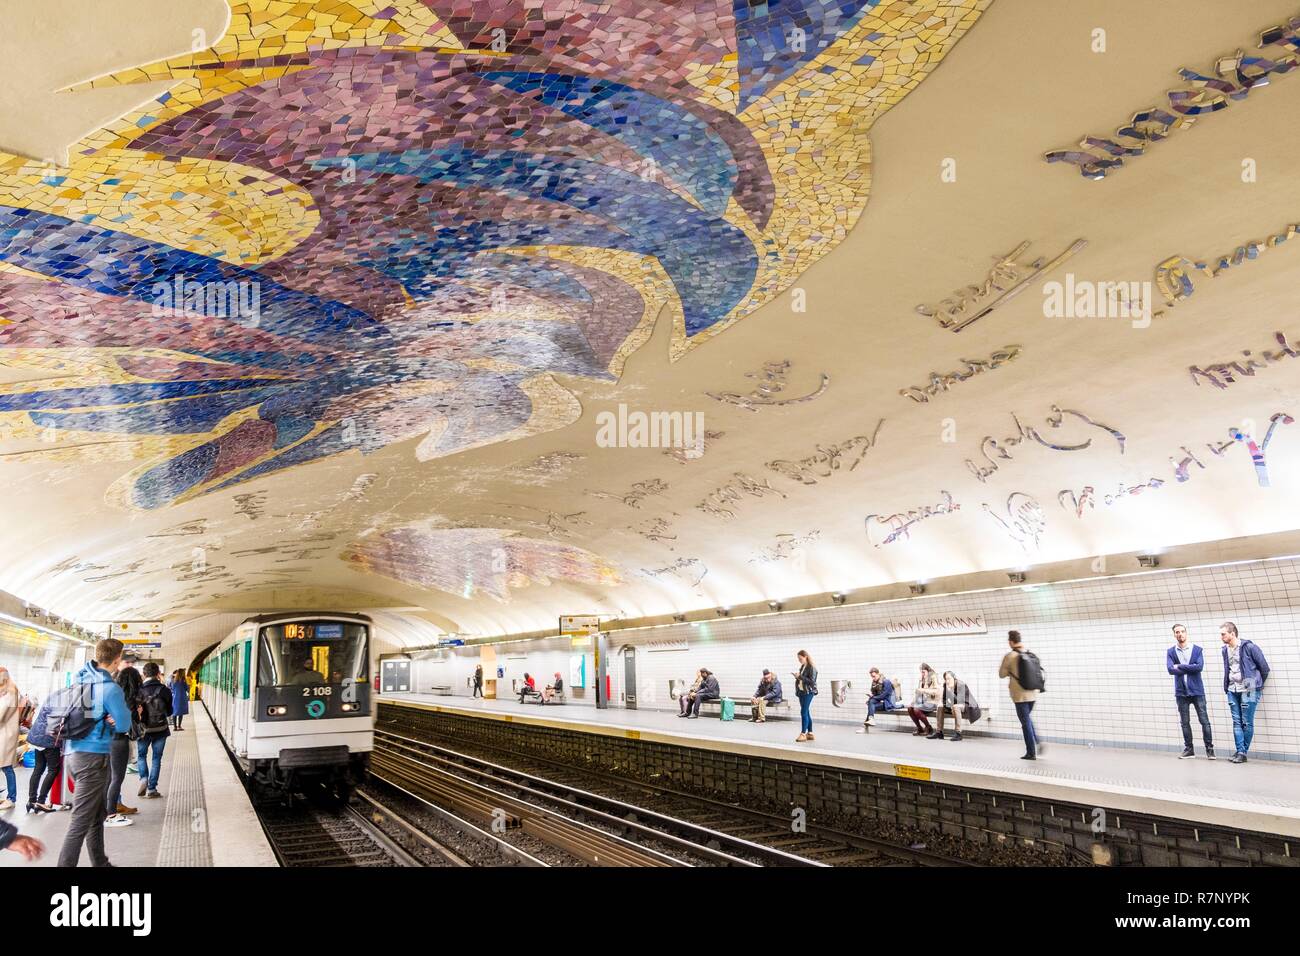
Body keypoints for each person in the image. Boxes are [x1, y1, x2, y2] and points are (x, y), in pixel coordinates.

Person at [59, 637, 134, 868]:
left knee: (94, 816)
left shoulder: (81, 679)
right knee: (80, 822)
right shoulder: (110, 688)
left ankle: (101, 863)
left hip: (73, 755)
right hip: (93, 759)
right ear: (117, 658)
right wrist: (115, 719)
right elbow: (123, 725)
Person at [1220, 622, 1270, 764]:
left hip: (1250, 687)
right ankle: (1240, 751)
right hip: (1232, 688)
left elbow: (1264, 668)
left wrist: (1255, 683)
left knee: (1247, 722)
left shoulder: (1249, 647)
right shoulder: (1225, 650)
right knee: (1236, 722)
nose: (1221, 636)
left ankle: (1242, 752)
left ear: (1232, 633)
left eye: (1223, 634)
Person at [104, 662, 142, 828]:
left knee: (109, 778)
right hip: (119, 740)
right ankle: (110, 814)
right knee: (116, 778)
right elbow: (129, 725)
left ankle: (106, 810)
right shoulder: (130, 701)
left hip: (105, 740)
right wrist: (138, 714)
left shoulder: (112, 694)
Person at [1167, 624, 1214, 760]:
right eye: (1177, 632)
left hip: (1197, 691)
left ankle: (1210, 750)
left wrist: (1180, 666)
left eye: (1182, 631)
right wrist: (1190, 667)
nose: (1180, 634)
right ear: (1174, 635)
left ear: (1186, 633)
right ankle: (1189, 750)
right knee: (1185, 722)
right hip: (1181, 692)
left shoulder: (1197, 650)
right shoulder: (1171, 651)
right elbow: (1170, 669)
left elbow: (1199, 667)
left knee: (1204, 721)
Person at [999, 630, 1042, 760]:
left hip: (1019, 696)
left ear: (1011, 642)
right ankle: (1037, 741)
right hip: (1033, 694)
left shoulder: (1009, 656)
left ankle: (1031, 752)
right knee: (1027, 719)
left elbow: (1001, 674)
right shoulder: (1029, 653)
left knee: (1025, 723)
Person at [136, 663, 173, 798]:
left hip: (143, 730)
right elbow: (170, 712)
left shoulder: (138, 690)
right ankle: (152, 789)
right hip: (161, 729)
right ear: (158, 673)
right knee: (156, 758)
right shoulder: (165, 690)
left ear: (144, 674)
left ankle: (143, 779)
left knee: (141, 756)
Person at [929, 670, 976, 742]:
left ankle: (958, 733)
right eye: (946, 679)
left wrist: (950, 691)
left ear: (954, 678)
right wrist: (945, 704)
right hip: (954, 705)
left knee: (956, 706)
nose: (947, 681)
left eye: (949, 678)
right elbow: (944, 699)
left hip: (966, 705)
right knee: (940, 706)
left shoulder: (961, 684)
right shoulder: (945, 684)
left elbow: (960, 701)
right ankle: (939, 732)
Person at [0, 668, 22, 810]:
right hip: (5, 732)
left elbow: (1, 714)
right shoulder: (6, 691)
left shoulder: (10, 692)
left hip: (6, 734)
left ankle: (11, 798)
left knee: (6, 767)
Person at [857, 667, 895, 733]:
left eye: (874, 676)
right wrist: (872, 696)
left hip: (888, 704)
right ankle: (871, 719)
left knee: (871, 703)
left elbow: (884, 695)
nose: (873, 678)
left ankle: (865, 727)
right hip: (881, 703)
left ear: (878, 674)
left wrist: (873, 698)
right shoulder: (875, 683)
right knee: (871, 704)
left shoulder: (886, 682)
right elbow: (876, 695)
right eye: (871, 677)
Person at [906, 663, 939, 736]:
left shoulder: (934, 677)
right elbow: (918, 693)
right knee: (910, 708)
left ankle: (928, 727)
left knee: (916, 709)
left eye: (923, 672)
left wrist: (923, 690)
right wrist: (913, 702)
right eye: (921, 672)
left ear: (928, 670)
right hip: (924, 702)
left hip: (932, 702)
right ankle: (919, 728)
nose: (922, 674)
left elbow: (936, 691)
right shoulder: (922, 679)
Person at [793, 650, 818, 742]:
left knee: (803, 712)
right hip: (801, 692)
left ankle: (803, 734)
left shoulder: (812, 668)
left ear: (806, 656)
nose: (799, 660)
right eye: (798, 659)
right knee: (806, 712)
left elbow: (812, 681)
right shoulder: (803, 667)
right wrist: (797, 677)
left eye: (800, 658)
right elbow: (802, 679)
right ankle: (810, 733)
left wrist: (800, 677)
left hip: (808, 692)